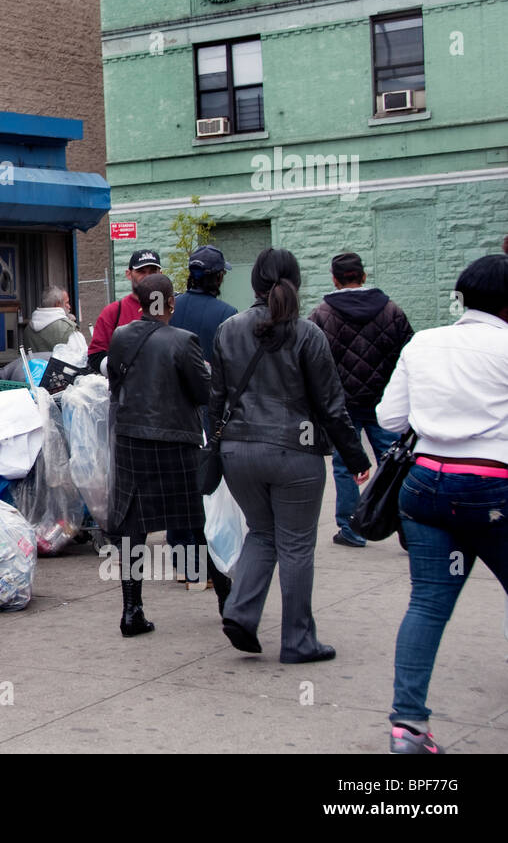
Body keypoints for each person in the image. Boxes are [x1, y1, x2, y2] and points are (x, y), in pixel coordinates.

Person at [212, 248, 370, 664]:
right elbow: (332, 407)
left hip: (238, 451)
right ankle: (298, 641)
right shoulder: (308, 334)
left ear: (254, 284)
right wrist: (357, 460)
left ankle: (241, 611)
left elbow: (216, 400)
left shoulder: (228, 330)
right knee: (296, 545)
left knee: (262, 532)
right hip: (295, 453)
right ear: (295, 283)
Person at [377, 254, 508, 754]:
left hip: (425, 484)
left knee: (427, 604)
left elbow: (391, 418)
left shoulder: (424, 342)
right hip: (493, 487)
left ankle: (407, 728)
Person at [107, 274, 226, 635]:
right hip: (176, 441)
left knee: (132, 528)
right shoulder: (184, 341)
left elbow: (115, 381)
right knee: (193, 521)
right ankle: (226, 599)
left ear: (139, 302)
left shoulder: (120, 336)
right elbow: (204, 393)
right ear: (170, 303)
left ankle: (132, 610)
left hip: (130, 439)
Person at [308, 253, 414, 548]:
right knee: (395, 462)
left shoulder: (321, 315)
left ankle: (351, 529)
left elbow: (313, 362)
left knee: (344, 465)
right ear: (364, 276)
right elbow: (408, 354)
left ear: (334, 279)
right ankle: (407, 529)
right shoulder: (391, 310)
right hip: (383, 402)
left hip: (341, 406)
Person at [167, 244, 238, 582]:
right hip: (211, 414)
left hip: (173, 413)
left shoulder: (170, 308)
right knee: (209, 489)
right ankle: (212, 567)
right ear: (218, 277)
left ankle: (184, 567)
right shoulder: (228, 314)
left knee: (179, 488)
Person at [87, 249, 162, 374]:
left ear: (161, 274)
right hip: (127, 390)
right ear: (129, 274)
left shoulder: (170, 309)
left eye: (152, 272)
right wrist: (122, 370)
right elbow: (95, 355)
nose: (148, 277)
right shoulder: (113, 312)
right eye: (141, 272)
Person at [24, 285, 77, 352]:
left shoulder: (28, 329)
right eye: (67, 302)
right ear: (58, 305)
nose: (69, 306)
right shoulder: (68, 328)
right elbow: (80, 356)